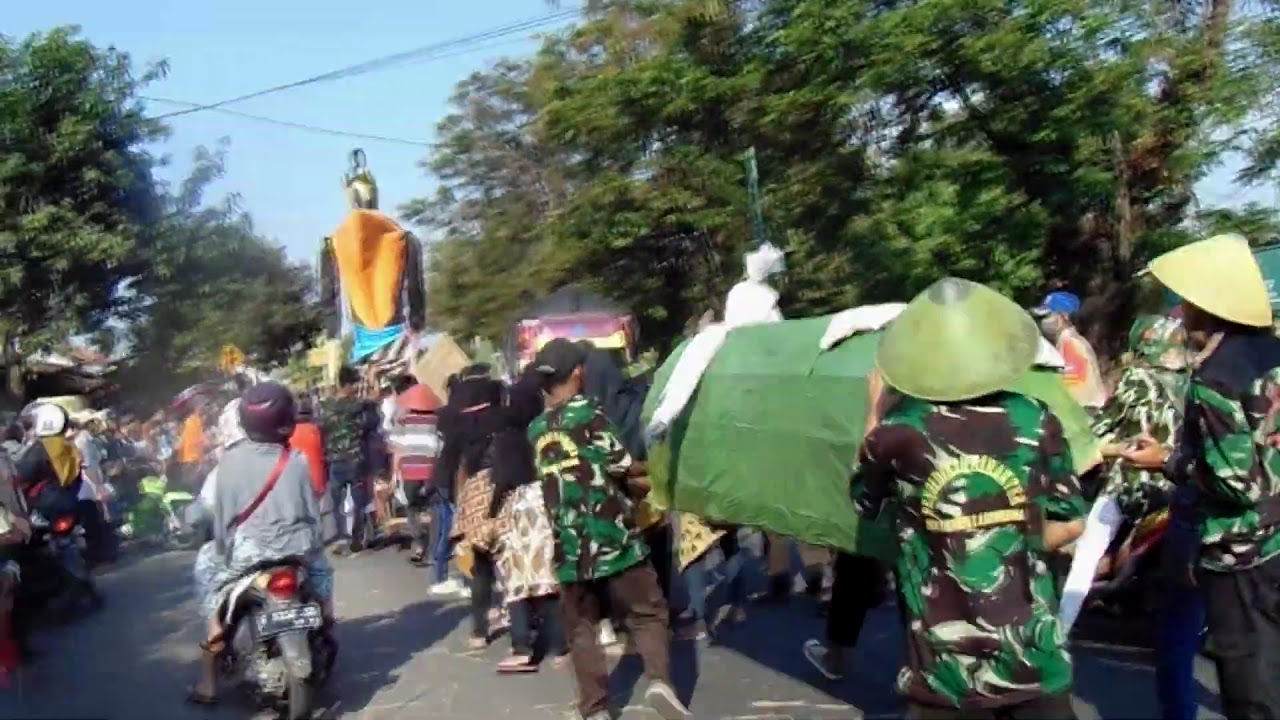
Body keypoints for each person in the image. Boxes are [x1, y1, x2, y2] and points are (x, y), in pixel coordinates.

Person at [851, 278, 1086, 719]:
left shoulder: (898, 431)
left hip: (946, 671)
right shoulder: (1034, 417)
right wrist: (1010, 542)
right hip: (1033, 656)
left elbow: (865, 502)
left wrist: (874, 411)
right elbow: (1071, 522)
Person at [1119, 234, 1280, 720]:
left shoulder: (1216, 378)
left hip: (1241, 551)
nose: (1180, 311)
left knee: (1250, 680)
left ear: (1205, 306)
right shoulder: (1271, 354)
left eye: (1186, 301)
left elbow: (1235, 483)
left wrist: (1166, 462)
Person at [529, 338, 690, 720]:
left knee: (582, 629)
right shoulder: (589, 413)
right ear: (580, 374)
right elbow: (622, 464)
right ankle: (659, 682)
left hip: (568, 547)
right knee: (647, 612)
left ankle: (596, 708)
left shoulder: (536, 430)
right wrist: (656, 472)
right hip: (612, 537)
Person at [185, 383, 335, 707]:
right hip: (298, 549)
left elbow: (222, 524)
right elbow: (311, 513)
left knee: (208, 571)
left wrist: (224, 551)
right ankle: (326, 610)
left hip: (248, 555)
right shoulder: (294, 459)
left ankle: (213, 639)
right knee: (322, 571)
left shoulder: (227, 465)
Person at [489, 367, 566, 671]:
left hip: (519, 509)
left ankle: (522, 647)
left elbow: (502, 479)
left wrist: (492, 513)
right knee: (548, 576)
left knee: (518, 581)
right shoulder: (548, 429)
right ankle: (560, 645)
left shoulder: (508, 435)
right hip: (547, 502)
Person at [445, 369, 508, 649]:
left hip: (474, 497)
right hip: (507, 492)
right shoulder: (506, 421)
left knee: (481, 567)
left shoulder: (461, 427)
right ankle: (520, 630)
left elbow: (456, 469)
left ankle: (479, 631)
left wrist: (461, 506)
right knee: (511, 562)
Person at [318, 366, 382, 554]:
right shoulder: (355, 404)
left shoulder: (326, 405)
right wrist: (372, 378)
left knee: (338, 504)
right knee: (358, 502)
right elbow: (376, 396)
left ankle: (342, 539)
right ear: (350, 384)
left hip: (334, 460)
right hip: (355, 459)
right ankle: (356, 539)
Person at [389, 382, 442, 567]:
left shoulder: (403, 420)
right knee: (434, 508)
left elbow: (397, 449)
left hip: (410, 470)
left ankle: (419, 545)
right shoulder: (436, 420)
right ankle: (435, 550)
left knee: (411, 508)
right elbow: (439, 448)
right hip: (431, 470)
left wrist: (394, 474)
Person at [1033, 290, 1108, 412]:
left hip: (1089, 414)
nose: (1043, 322)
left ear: (1063, 316)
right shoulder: (1067, 341)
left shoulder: (1070, 344)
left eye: (1047, 316)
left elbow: (1073, 388)